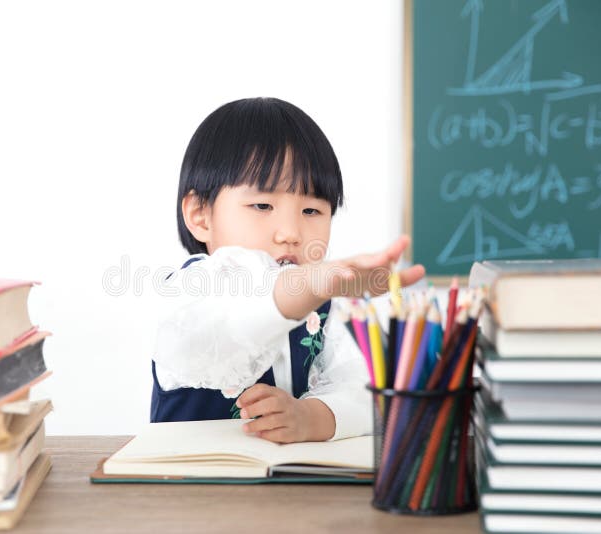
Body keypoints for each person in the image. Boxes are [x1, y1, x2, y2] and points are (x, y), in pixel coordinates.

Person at [150, 97, 425, 443]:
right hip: (187, 489)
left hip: (290, 494)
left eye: (311, 211)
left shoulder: (326, 303)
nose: (291, 233)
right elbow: (227, 328)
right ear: (200, 215)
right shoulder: (191, 291)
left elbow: (369, 387)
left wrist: (313, 417)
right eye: (263, 205)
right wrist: (312, 284)